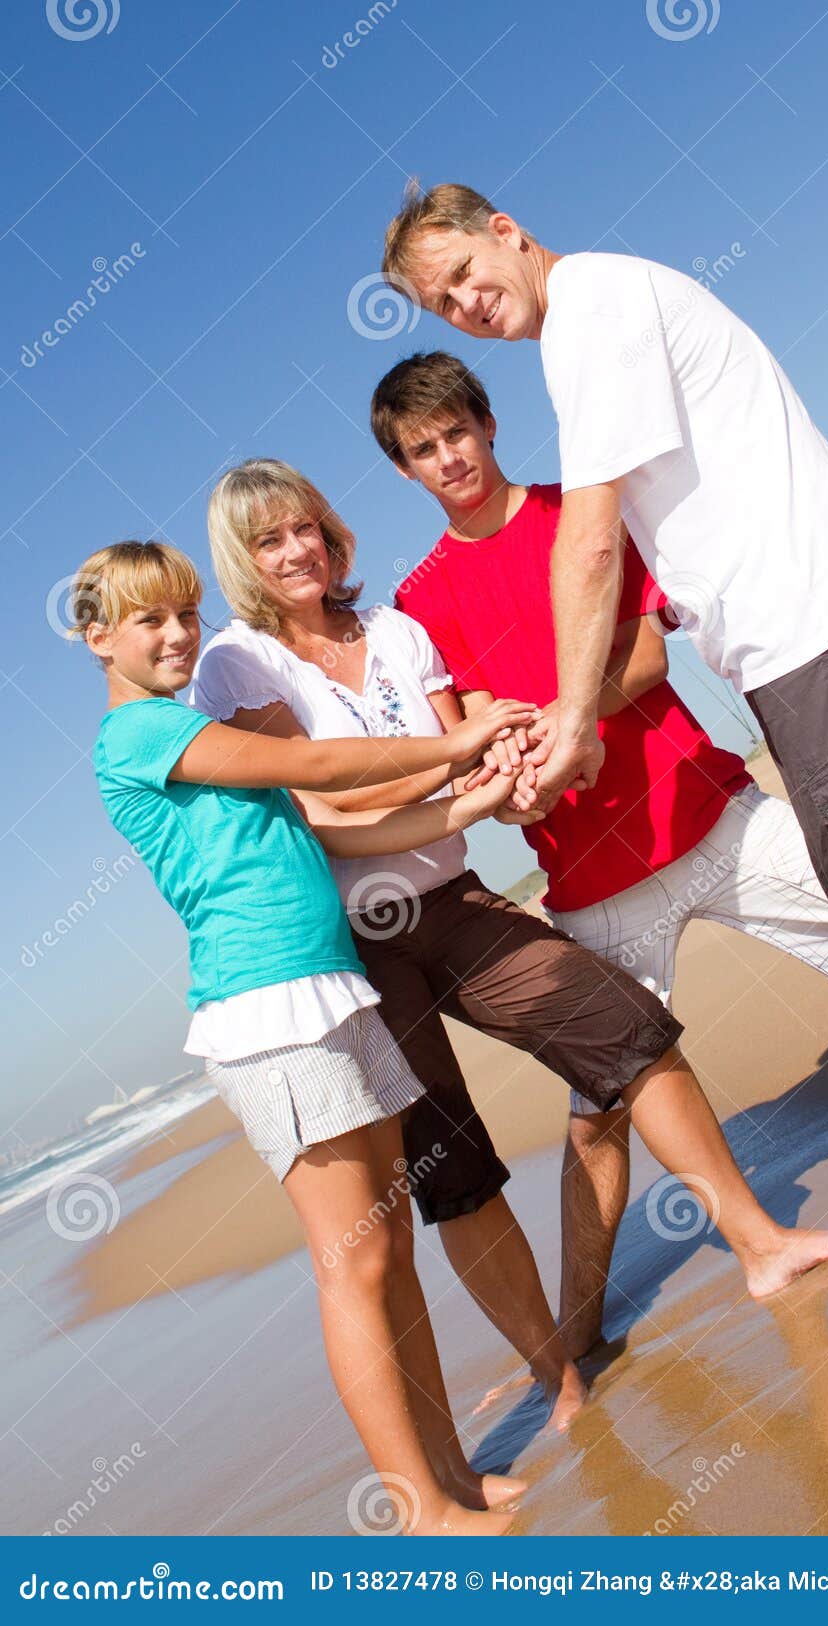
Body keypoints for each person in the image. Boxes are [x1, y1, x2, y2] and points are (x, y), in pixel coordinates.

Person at [383, 181, 828, 1269]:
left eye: (463, 271)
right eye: (436, 299)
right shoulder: (579, 337)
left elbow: (594, 549)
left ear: (506, 230)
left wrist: (568, 717)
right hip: (755, 666)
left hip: (797, 637)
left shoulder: (593, 315)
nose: (461, 300)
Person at [191, 459, 828, 1398]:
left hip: (455, 900)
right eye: (269, 540)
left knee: (629, 1034)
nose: (297, 549)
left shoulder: (395, 628)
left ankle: (761, 1245)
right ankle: (557, 1380)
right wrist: (455, 764)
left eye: (305, 526)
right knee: (455, 1170)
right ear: (243, 558)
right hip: (354, 947)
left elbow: (459, 768)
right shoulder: (237, 660)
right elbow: (316, 795)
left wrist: (499, 765)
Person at [73, 539, 543, 1533]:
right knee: (353, 1263)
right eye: (148, 618)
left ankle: (449, 1476)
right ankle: (417, 1509)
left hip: (333, 989)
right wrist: (454, 742)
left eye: (187, 614)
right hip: (267, 1010)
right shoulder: (141, 738)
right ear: (96, 636)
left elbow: (339, 829)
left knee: (393, 1252)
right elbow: (320, 760)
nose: (176, 634)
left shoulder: (203, 730)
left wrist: (477, 797)